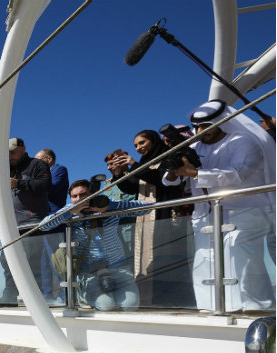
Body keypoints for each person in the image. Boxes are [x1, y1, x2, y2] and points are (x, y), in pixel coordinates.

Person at [163, 99, 275, 311]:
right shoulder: (194, 146)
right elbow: (170, 181)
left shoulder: (244, 142)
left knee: (244, 262)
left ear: (221, 122)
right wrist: (174, 168)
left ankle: (258, 309)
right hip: (205, 214)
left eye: (205, 126)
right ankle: (211, 308)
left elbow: (237, 175)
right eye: (196, 126)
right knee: (204, 263)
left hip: (246, 211)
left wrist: (196, 173)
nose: (199, 130)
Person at [107, 130, 195, 308]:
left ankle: (175, 302)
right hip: (145, 219)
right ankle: (150, 302)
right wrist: (118, 174)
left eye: (142, 143)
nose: (139, 148)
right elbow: (131, 188)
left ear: (153, 141)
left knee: (167, 260)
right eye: (136, 146)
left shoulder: (168, 157)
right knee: (144, 260)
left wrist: (134, 165)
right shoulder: (144, 164)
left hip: (166, 216)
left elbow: (159, 179)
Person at [39, 179, 148, 311]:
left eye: (83, 194)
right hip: (89, 273)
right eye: (74, 196)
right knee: (106, 305)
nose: (79, 199)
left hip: (118, 268)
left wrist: (110, 207)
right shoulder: (71, 211)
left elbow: (146, 207)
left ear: (92, 195)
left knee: (130, 305)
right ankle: (82, 295)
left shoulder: (107, 205)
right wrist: (71, 212)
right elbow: (43, 226)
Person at [0, 137, 52, 305]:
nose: (10, 156)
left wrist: (20, 183)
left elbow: (45, 184)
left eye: (13, 152)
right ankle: (10, 295)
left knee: (32, 261)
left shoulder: (37, 165)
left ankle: (36, 298)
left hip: (32, 221)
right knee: (7, 260)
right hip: (11, 225)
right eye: (7, 154)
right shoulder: (7, 168)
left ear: (23, 149)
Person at [35, 148, 68, 305]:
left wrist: (29, 184)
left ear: (48, 159)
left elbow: (51, 187)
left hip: (54, 220)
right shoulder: (43, 175)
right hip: (43, 222)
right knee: (45, 262)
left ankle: (65, 295)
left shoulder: (58, 170)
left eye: (38, 160)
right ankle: (47, 295)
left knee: (56, 259)